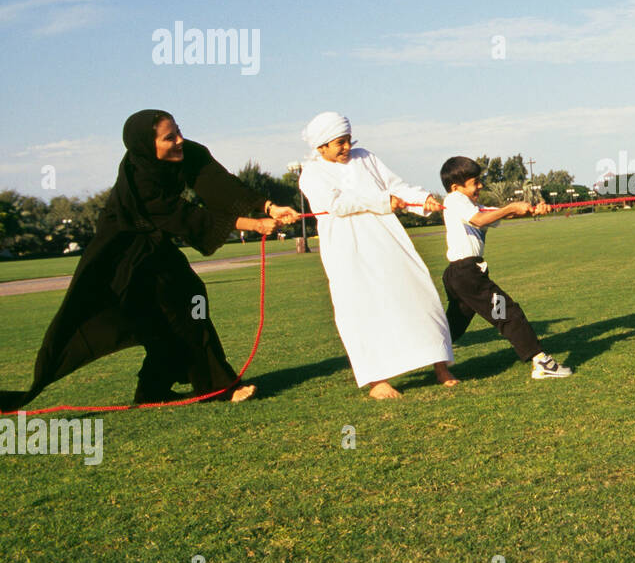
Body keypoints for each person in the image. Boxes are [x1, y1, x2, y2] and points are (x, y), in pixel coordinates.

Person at [0, 109, 298, 412]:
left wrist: (268, 206)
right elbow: (183, 216)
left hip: (156, 248)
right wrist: (253, 225)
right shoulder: (138, 178)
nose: (180, 140)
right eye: (170, 137)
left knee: (173, 314)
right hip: (123, 257)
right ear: (146, 144)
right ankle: (218, 387)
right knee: (179, 310)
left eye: (179, 131)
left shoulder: (188, 152)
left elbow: (219, 184)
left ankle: (153, 391)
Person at [297, 112, 458, 400]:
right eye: (339, 143)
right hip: (347, 245)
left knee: (419, 295)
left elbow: (395, 186)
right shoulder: (311, 174)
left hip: (387, 236)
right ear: (321, 147)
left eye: (347, 140)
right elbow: (337, 204)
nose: (346, 147)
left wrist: (422, 200)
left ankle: (440, 365)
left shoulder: (364, 157)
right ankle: (377, 380)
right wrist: (383, 201)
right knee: (361, 307)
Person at [439, 156, 571, 379]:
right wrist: (511, 207)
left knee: (453, 325)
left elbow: (497, 213)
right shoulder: (454, 199)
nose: (480, 185)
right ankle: (541, 362)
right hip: (466, 274)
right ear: (455, 187)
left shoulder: (471, 205)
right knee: (507, 312)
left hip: (462, 275)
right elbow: (480, 220)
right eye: (474, 182)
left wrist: (532, 210)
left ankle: (416, 354)